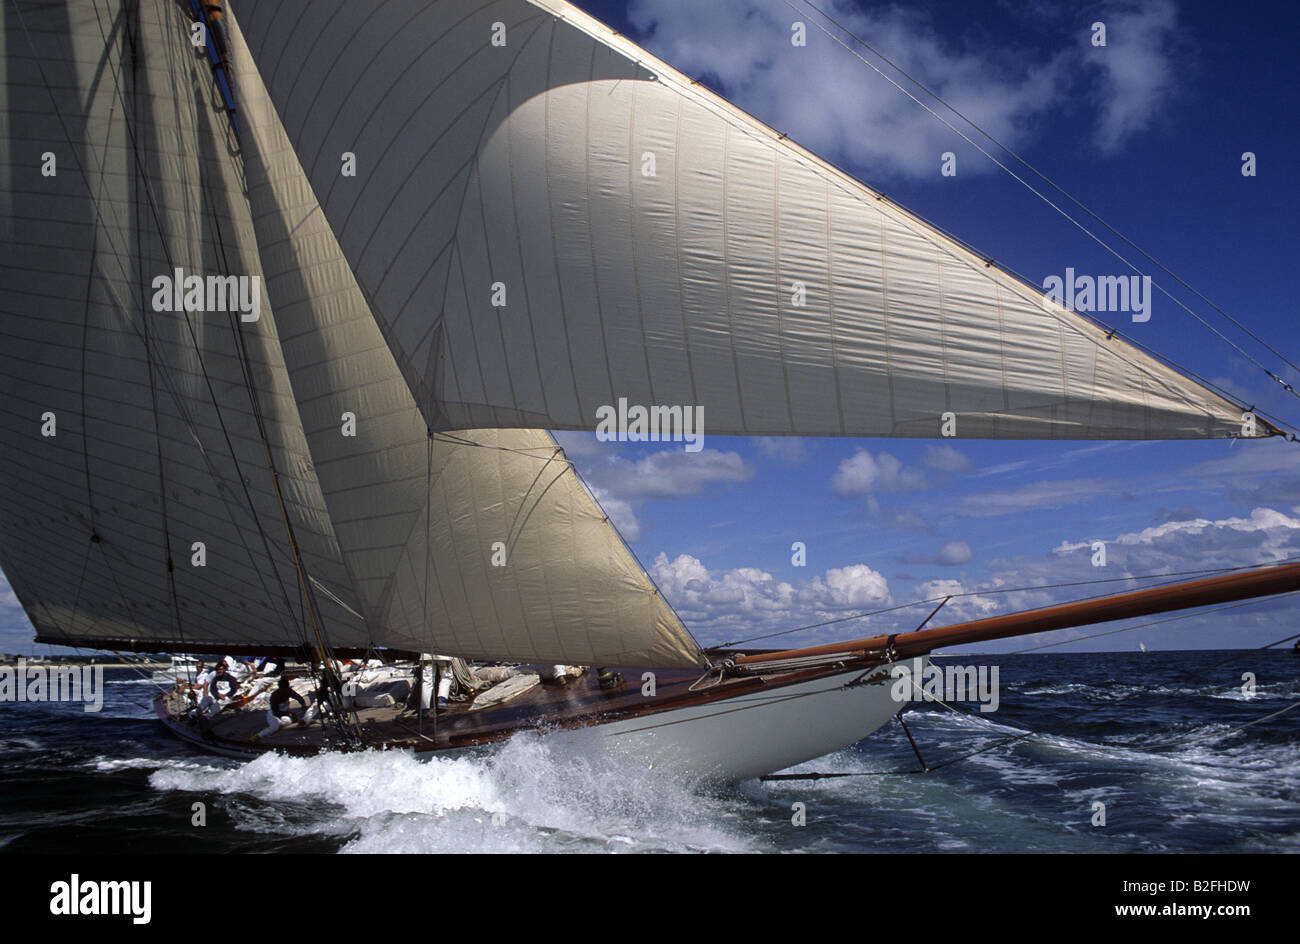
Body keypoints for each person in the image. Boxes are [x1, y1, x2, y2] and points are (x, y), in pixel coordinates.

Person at [250, 677, 316, 741]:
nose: (286, 690)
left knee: (289, 721)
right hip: (273, 714)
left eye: (286, 688)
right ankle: (256, 736)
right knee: (274, 727)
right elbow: (276, 712)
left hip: (283, 714)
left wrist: (303, 705)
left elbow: (299, 698)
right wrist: (289, 713)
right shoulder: (275, 696)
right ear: (280, 688)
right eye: (284, 688)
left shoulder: (289, 691)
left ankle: (279, 724)